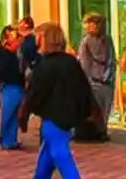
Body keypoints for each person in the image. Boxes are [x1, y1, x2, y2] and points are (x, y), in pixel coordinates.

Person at [20, 23, 94, 179]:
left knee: (60, 153)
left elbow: (35, 93)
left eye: (39, 37)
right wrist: (85, 112)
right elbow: (84, 89)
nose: (36, 41)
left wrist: (25, 112)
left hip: (53, 117)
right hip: (68, 117)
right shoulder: (71, 62)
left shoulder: (45, 64)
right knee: (47, 155)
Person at [75, 13, 115, 142]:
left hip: (98, 81)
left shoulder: (98, 40)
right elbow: (110, 60)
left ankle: (100, 131)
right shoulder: (97, 40)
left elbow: (85, 63)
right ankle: (100, 131)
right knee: (101, 108)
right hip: (101, 81)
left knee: (100, 108)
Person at [0, 25, 25, 150]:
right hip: (9, 86)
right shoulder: (3, 53)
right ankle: (5, 140)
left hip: (16, 85)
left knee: (14, 114)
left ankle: (11, 140)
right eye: (13, 36)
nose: (16, 40)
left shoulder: (15, 53)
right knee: (8, 114)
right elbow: (0, 72)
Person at [18, 16, 40, 80]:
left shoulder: (33, 39)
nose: (19, 25)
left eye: (21, 22)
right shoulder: (23, 39)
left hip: (31, 72)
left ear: (26, 25)